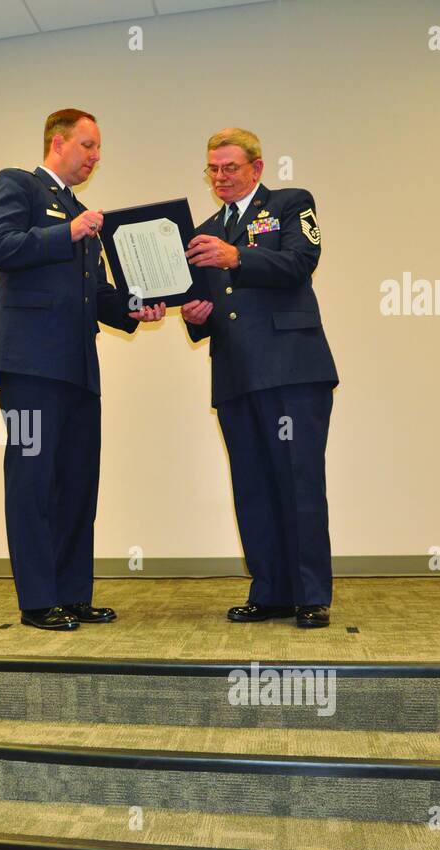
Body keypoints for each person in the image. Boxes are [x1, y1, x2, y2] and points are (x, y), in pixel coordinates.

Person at [0, 108, 165, 632]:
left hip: (79, 368)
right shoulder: (18, 185)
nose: (95, 156)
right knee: (33, 481)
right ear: (58, 143)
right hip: (31, 367)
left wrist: (136, 307)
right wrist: (67, 234)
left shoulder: (80, 210)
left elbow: (97, 295)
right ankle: (39, 600)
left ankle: (72, 593)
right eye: (88, 146)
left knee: (78, 483)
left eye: (98, 148)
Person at [181, 128, 339, 629]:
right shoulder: (204, 228)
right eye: (213, 168)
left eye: (230, 167)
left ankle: (311, 594)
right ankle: (269, 590)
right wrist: (193, 314)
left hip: (291, 368)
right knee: (251, 486)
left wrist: (237, 257)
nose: (221, 177)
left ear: (256, 167)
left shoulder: (290, 204)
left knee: (298, 481)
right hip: (236, 373)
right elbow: (207, 309)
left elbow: (300, 262)